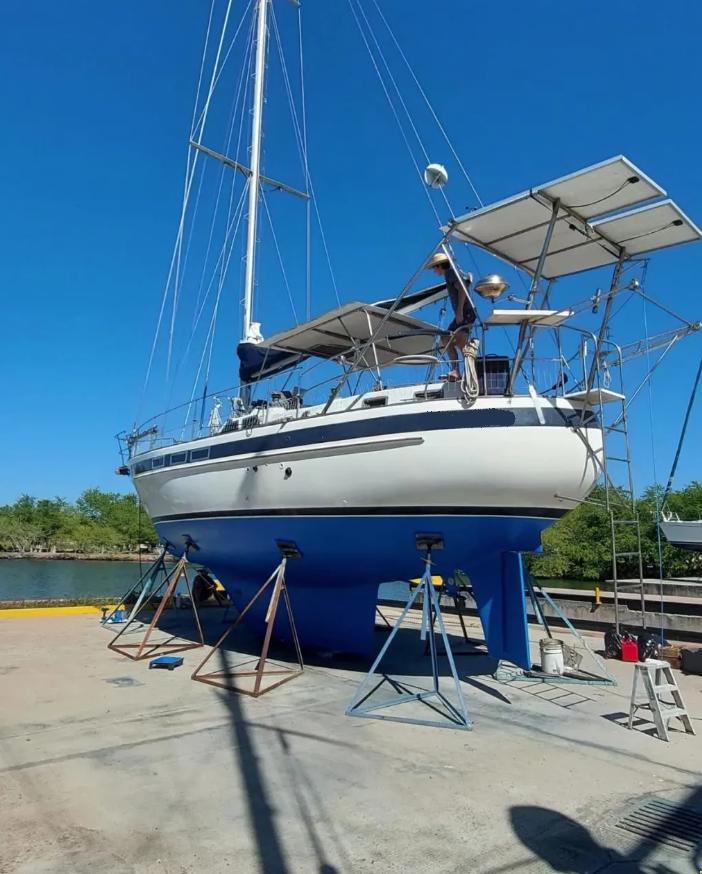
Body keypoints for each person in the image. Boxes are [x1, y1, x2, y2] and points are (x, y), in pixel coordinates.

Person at [427, 252, 476, 381]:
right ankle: (458, 370)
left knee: (457, 341)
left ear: (439, 266)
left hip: (466, 312)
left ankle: (467, 369)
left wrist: (459, 311)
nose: (434, 270)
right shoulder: (452, 273)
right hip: (468, 312)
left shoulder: (450, 273)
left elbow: (463, 288)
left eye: (434, 267)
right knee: (447, 338)